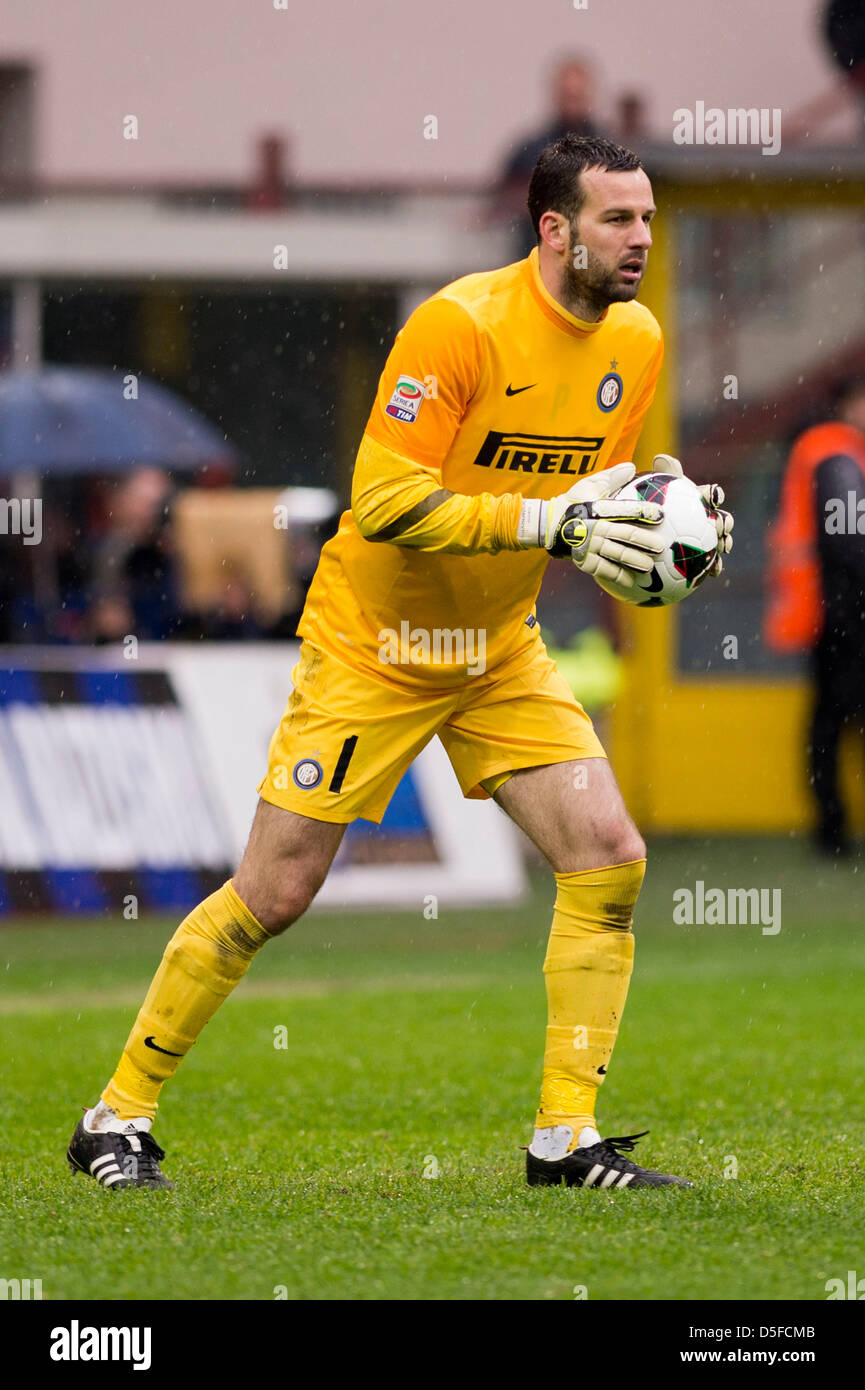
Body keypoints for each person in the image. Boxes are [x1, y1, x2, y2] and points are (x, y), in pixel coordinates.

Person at [67, 135, 733, 1193]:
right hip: (375, 644)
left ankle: (565, 1137)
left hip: (497, 648)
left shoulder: (638, 338)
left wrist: (673, 514)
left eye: (646, 218)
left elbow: (603, 484)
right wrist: (550, 516)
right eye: (617, 219)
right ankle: (116, 1117)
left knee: (607, 854)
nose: (640, 239)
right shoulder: (458, 326)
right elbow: (381, 500)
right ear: (553, 229)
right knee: (274, 890)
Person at [765, 378, 865, 857]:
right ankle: (831, 830)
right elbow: (847, 540)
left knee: (826, 720)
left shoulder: (825, 448)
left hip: (827, 610)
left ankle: (831, 828)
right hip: (841, 612)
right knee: (832, 720)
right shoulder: (836, 453)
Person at [496, 57, 601, 257]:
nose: (572, 104)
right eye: (567, 95)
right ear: (555, 96)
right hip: (536, 258)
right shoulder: (528, 152)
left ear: (589, 95)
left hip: (593, 261)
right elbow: (503, 204)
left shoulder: (609, 149)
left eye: (577, 96)